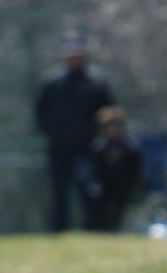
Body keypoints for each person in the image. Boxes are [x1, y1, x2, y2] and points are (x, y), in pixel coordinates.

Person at [34, 30, 115, 232]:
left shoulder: (96, 81)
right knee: (59, 193)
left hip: (87, 148)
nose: (74, 57)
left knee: (90, 190)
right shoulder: (53, 81)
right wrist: (51, 132)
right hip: (58, 147)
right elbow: (40, 111)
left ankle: (94, 229)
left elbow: (109, 111)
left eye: (77, 53)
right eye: (70, 53)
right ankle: (59, 230)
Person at [82, 106, 143, 233]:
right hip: (104, 190)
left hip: (124, 189)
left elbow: (136, 173)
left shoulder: (131, 149)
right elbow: (93, 173)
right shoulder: (98, 148)